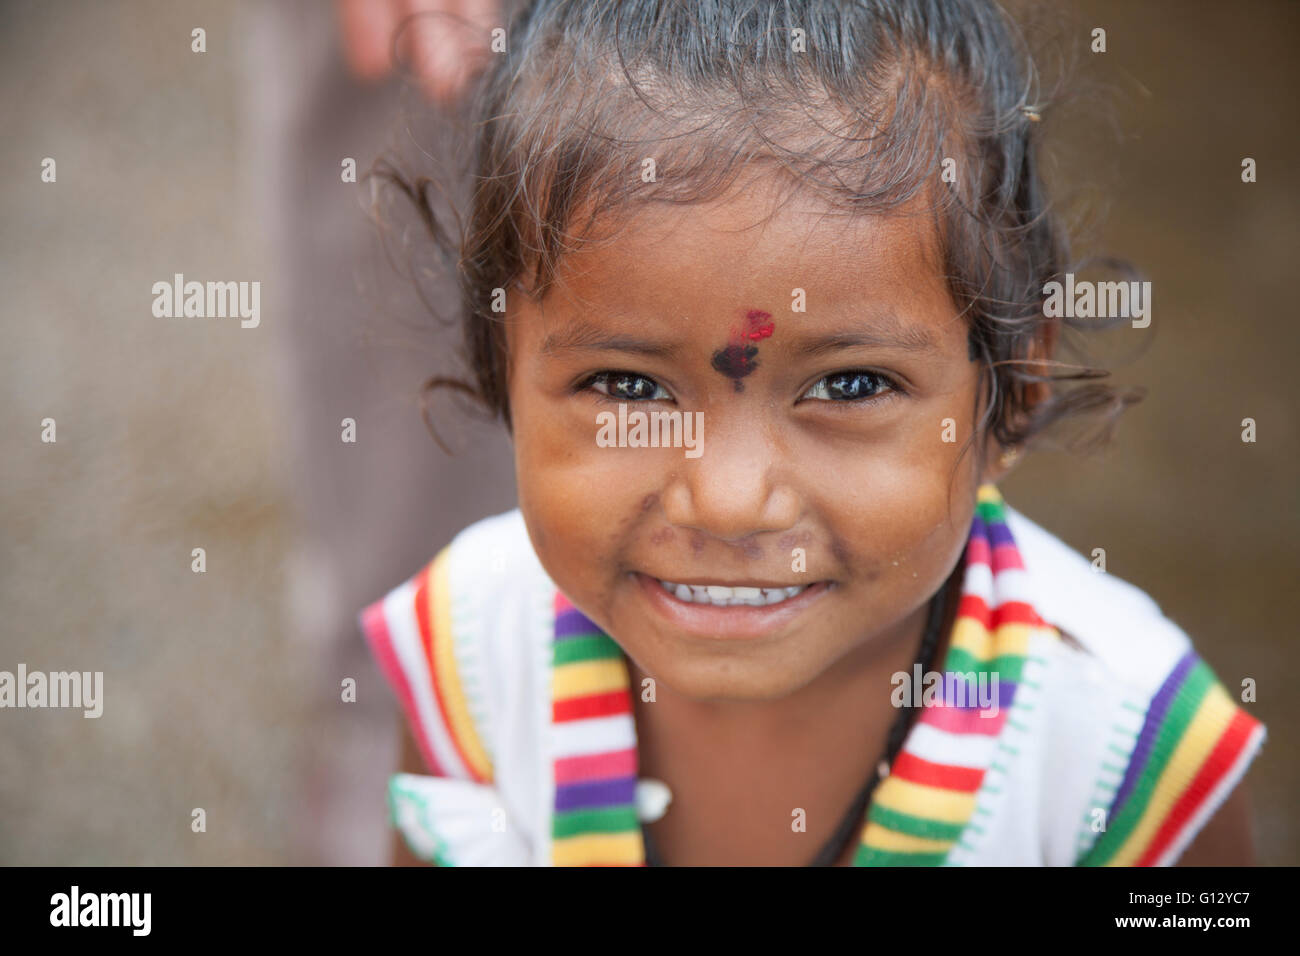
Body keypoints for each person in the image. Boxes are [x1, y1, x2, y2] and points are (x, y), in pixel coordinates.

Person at [357, 0, 1266, 866]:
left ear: (1014, 387)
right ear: (499, 367)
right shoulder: (472, 653)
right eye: (628, 385)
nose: (728, 500)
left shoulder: (1123, 748)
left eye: (852, 383)